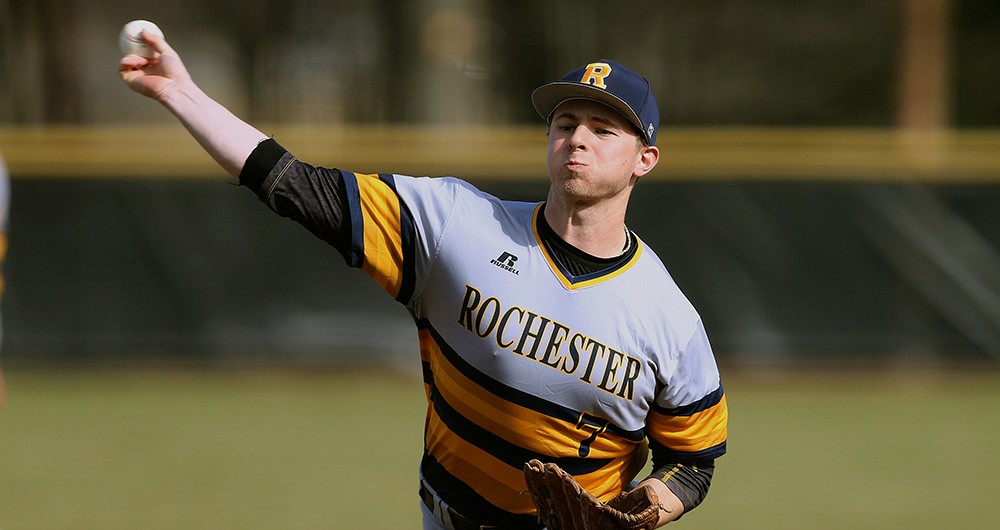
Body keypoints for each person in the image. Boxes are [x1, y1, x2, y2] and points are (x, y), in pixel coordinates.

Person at [120, 30, 727, 529]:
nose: (578, 140)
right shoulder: (457, 225)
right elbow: (295, 185)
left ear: (644, 159)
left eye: (604, 129)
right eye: (566, 123)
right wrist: (181, 93)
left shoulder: (669, 319)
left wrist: (641, 511)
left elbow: (692, 462)